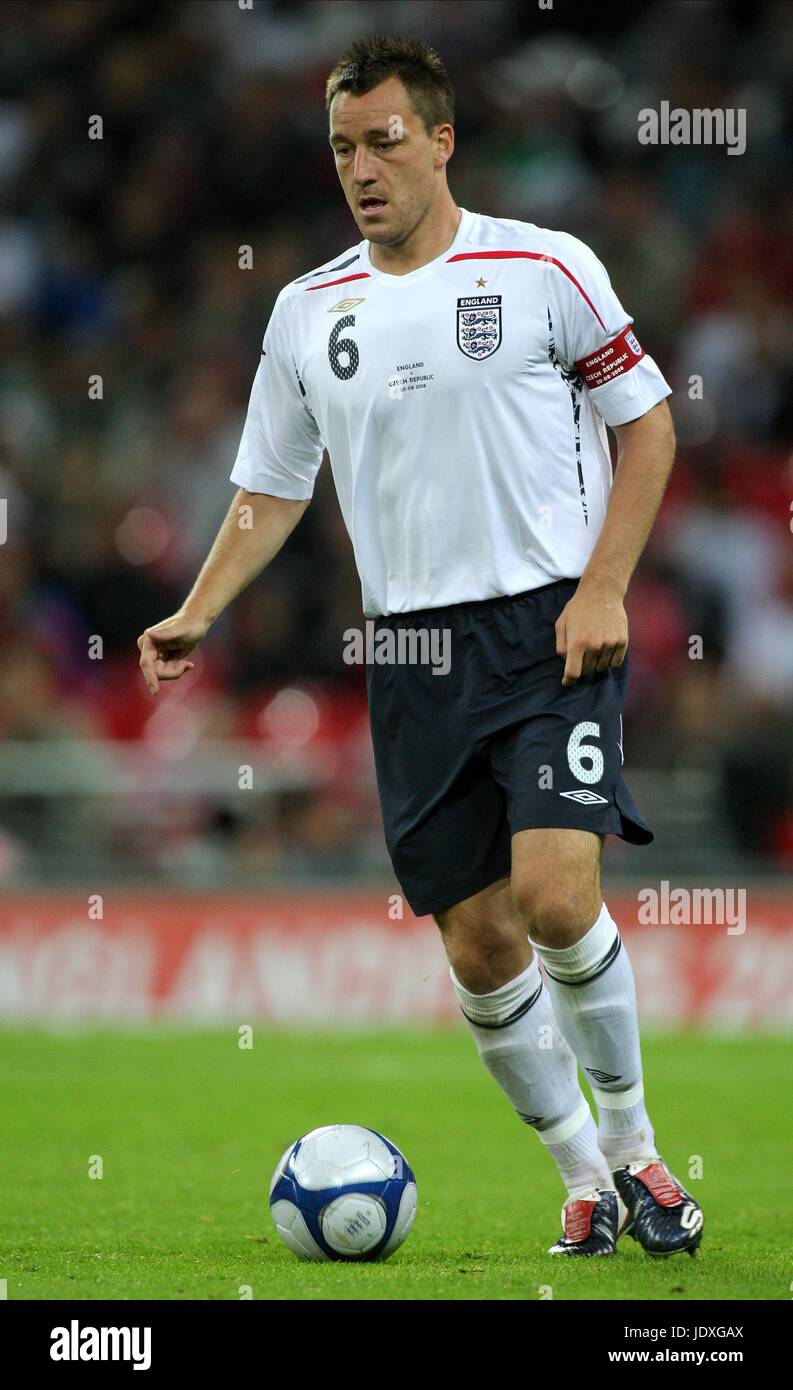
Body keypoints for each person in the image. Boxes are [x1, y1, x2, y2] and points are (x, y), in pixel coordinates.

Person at [138, 35, 703, 1258]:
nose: (363, 167)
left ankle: (641, 1157)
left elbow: (647, 425)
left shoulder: (545, 265)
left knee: (558, 899)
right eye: (342, 147)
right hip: (410, 657)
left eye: (385, 139)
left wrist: (605, 585)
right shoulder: (308, 311)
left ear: (441, 140)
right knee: (481, 941)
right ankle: (577, 1178)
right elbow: (267, 489)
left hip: (551, 626)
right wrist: (200, 604)